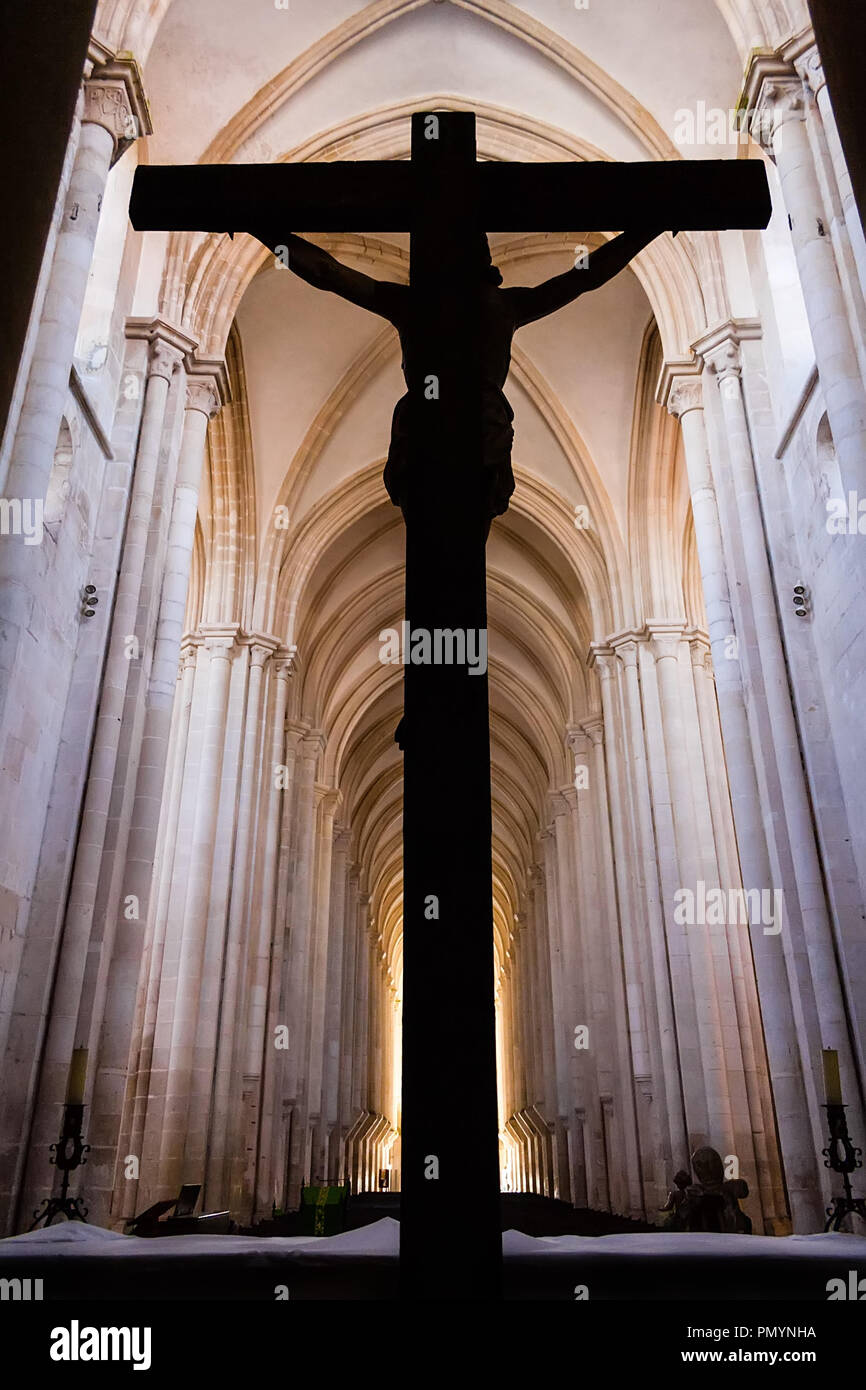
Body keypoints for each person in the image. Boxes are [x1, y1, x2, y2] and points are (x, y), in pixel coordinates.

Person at [253, 227, 666, 523]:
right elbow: (585, 277)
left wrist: (265, 230)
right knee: (466, 536)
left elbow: (328, 274)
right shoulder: (503, 305)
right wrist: (646, 229)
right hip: (479, 428)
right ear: (483, 258)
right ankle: (454, 640)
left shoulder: (412, 302)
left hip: (427, 425)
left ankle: (441, 639)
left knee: (431, 537)